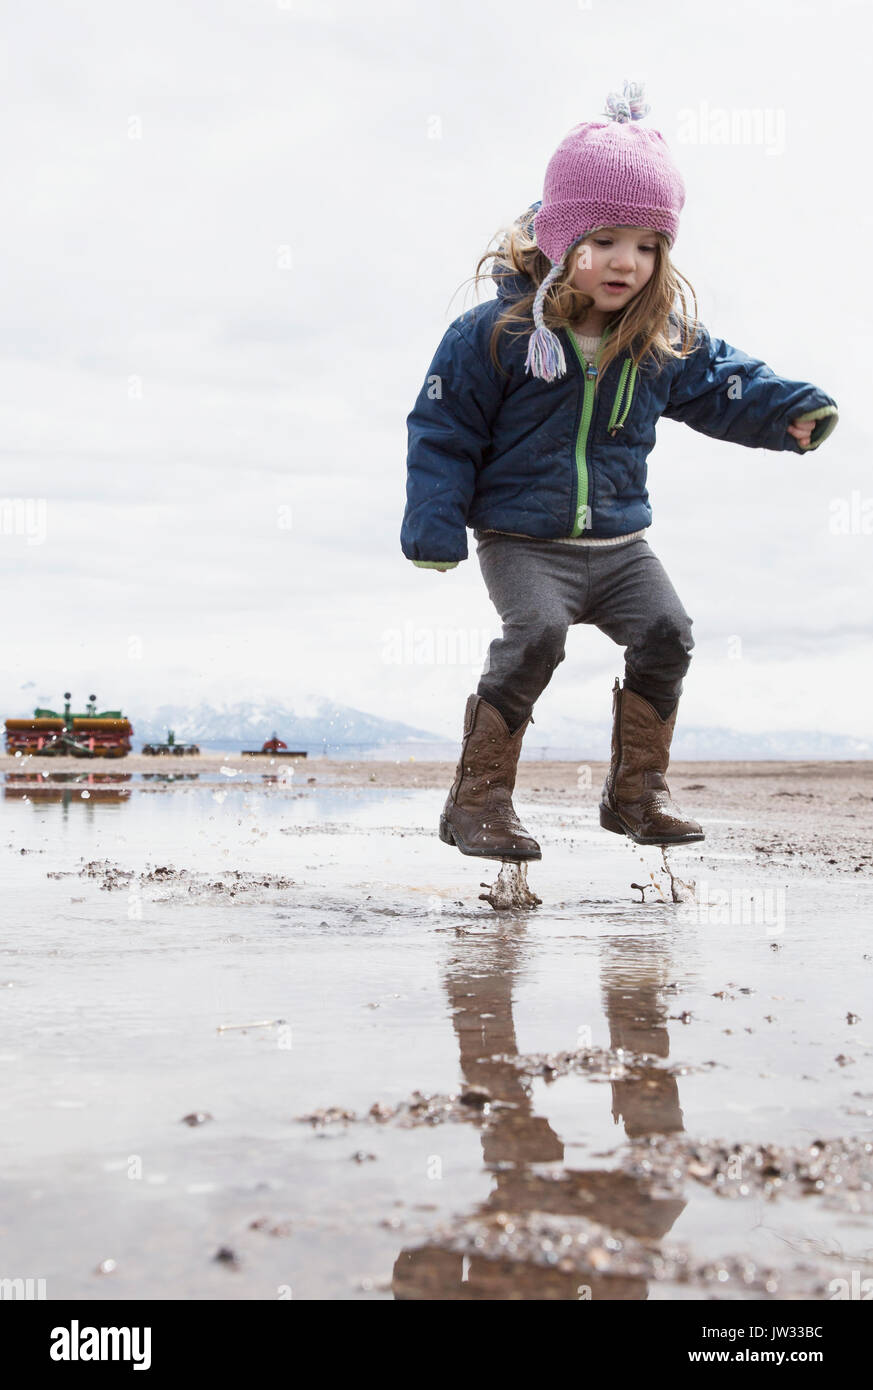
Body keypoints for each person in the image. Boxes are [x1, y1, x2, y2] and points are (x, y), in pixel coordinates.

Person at [400, 80, 839, 863]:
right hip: (521, 538)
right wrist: (434, 520)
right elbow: (443, 428)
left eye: (645, 245)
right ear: (562, 238)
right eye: (605, 241)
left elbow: (725, 386)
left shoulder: (659, 338)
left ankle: (635, 794)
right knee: (536, 634)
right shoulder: (495, 334)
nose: (625, 262)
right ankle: (477, 803)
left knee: (668, 632)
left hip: (619, 545)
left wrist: (786, 414)